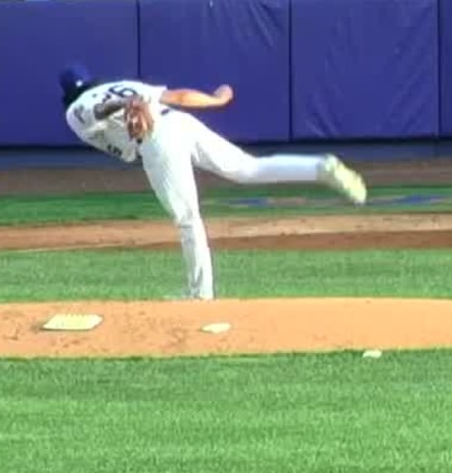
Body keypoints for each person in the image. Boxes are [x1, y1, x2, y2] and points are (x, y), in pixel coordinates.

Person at [60, 66, 368, 301]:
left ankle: (200, 295)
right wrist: (216, 100)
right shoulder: (124, 84)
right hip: (180, 122)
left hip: (155, 139)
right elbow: (177, 98)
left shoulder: (74, 111)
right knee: (249, 168)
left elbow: (97, 110)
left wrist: (125, 105)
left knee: (186, 219)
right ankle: (319, 167)